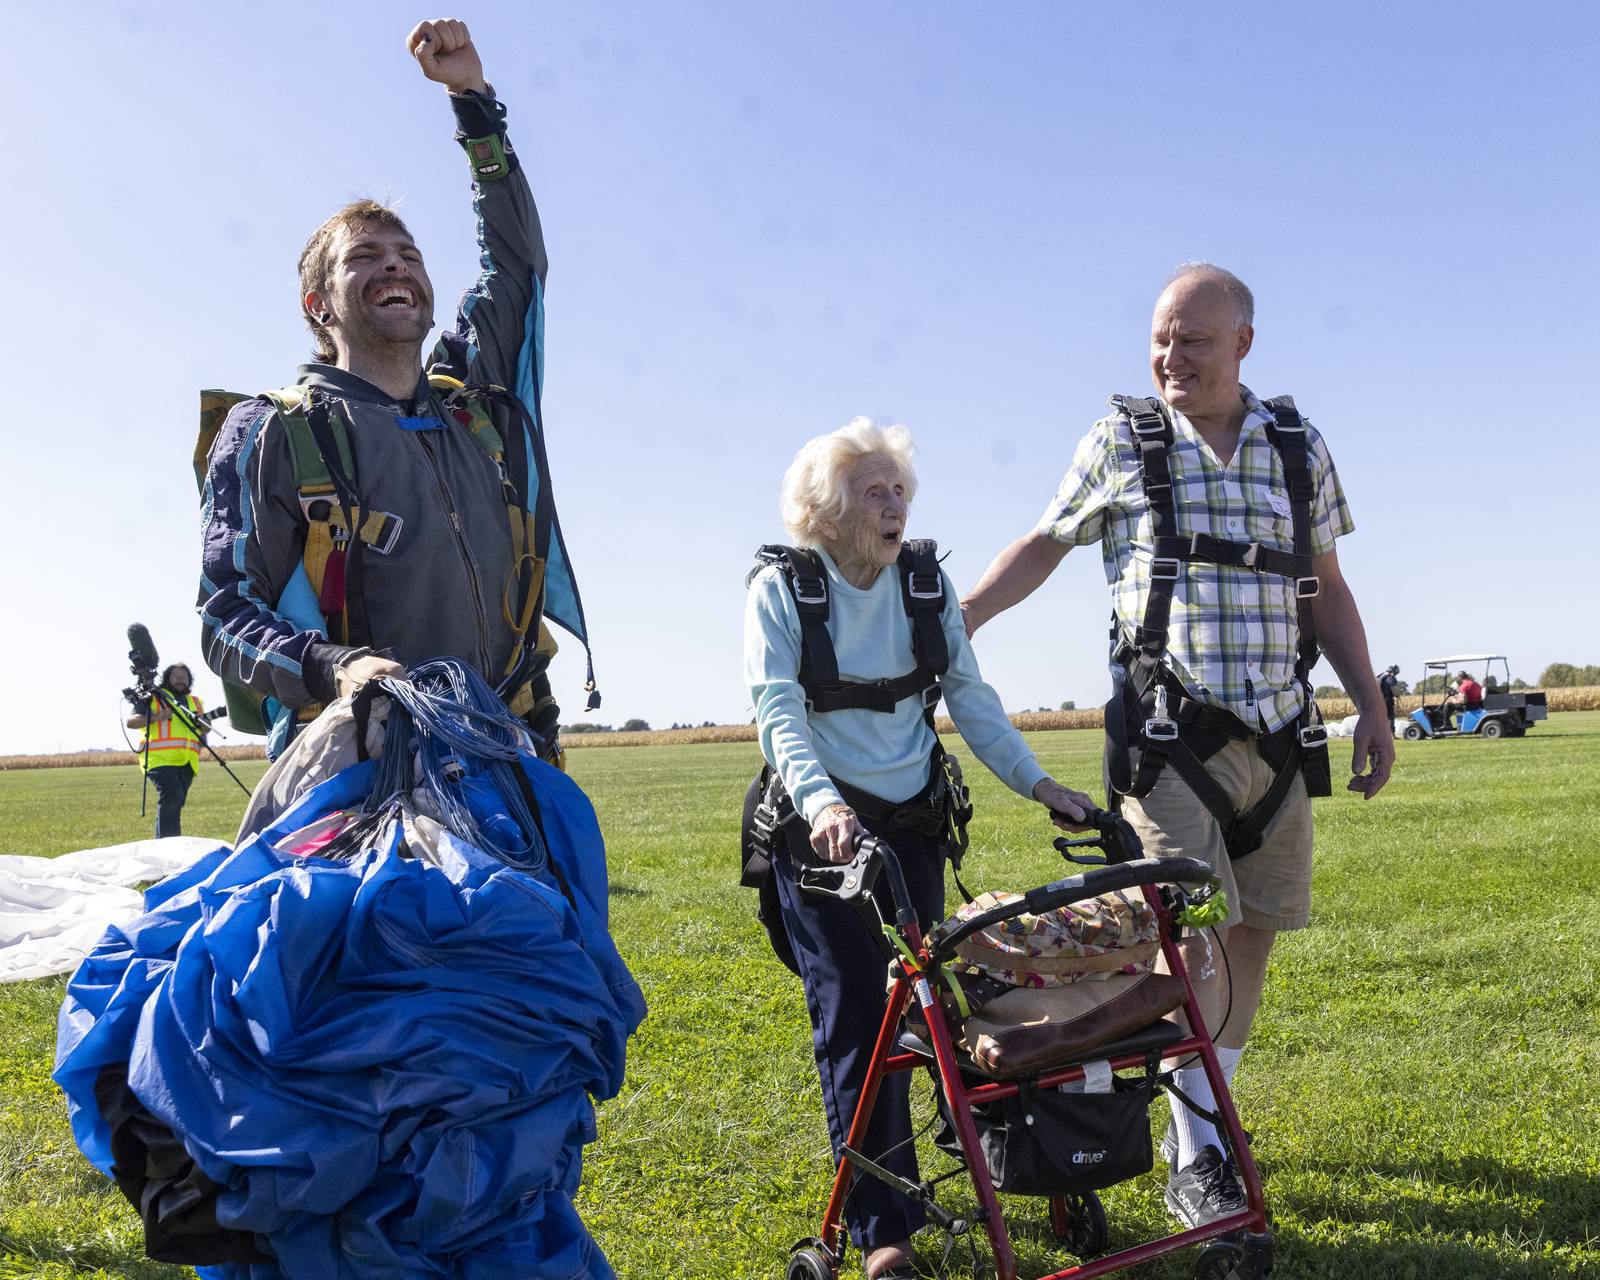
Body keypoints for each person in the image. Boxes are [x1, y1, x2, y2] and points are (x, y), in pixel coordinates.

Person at [961, 263, 1394, 1229]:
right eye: (1160, 338)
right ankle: (1199, 1158)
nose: (1170, 357)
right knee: (1193, 940)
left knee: (1254, 934)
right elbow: (1045, 541)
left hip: (1279, 736)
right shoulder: (1123, 438)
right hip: (1168, 741)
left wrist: (1370, 702)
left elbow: (1324, 583)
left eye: (1192, 340)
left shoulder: (1297, 444)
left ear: (1243, 342)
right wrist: (964, 619)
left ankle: (1201, 1120)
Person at [745, 419, 1095, 1280]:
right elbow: (777, 713)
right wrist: (822, 803)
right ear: (827, 511)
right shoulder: (783, 589)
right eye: (873, 491)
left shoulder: (927, 584)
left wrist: (1040, 783)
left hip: (913, 830)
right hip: (820, 833)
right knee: (859, 1021)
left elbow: (971, 699)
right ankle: (883, 1231)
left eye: (900, 489)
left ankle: (1007, 1164)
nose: (894, 505)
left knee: (930, 1011)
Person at [198, 18, 590, 761]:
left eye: (408, 253)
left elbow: (516, 267)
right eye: (365, 257)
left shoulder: (472, 405)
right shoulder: (273, 432)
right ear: (318, 305)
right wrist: (335, 667)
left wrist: (473, 102)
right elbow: (226, 611)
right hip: (359, 769)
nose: (397, 265)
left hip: (510, 753)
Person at [125, 665, 207, 838]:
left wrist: (204, 725)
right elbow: (131, 722)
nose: (180, 680)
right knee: (172, 796)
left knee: (174, 802)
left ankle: (161, 843)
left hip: (187, 761)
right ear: (167, 679)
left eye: (184, 676)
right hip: (159, 760)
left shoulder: (195, 702)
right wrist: (156, 717)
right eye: (176, 676)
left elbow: (205, 729)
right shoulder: (155, 697)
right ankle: (170, 843)